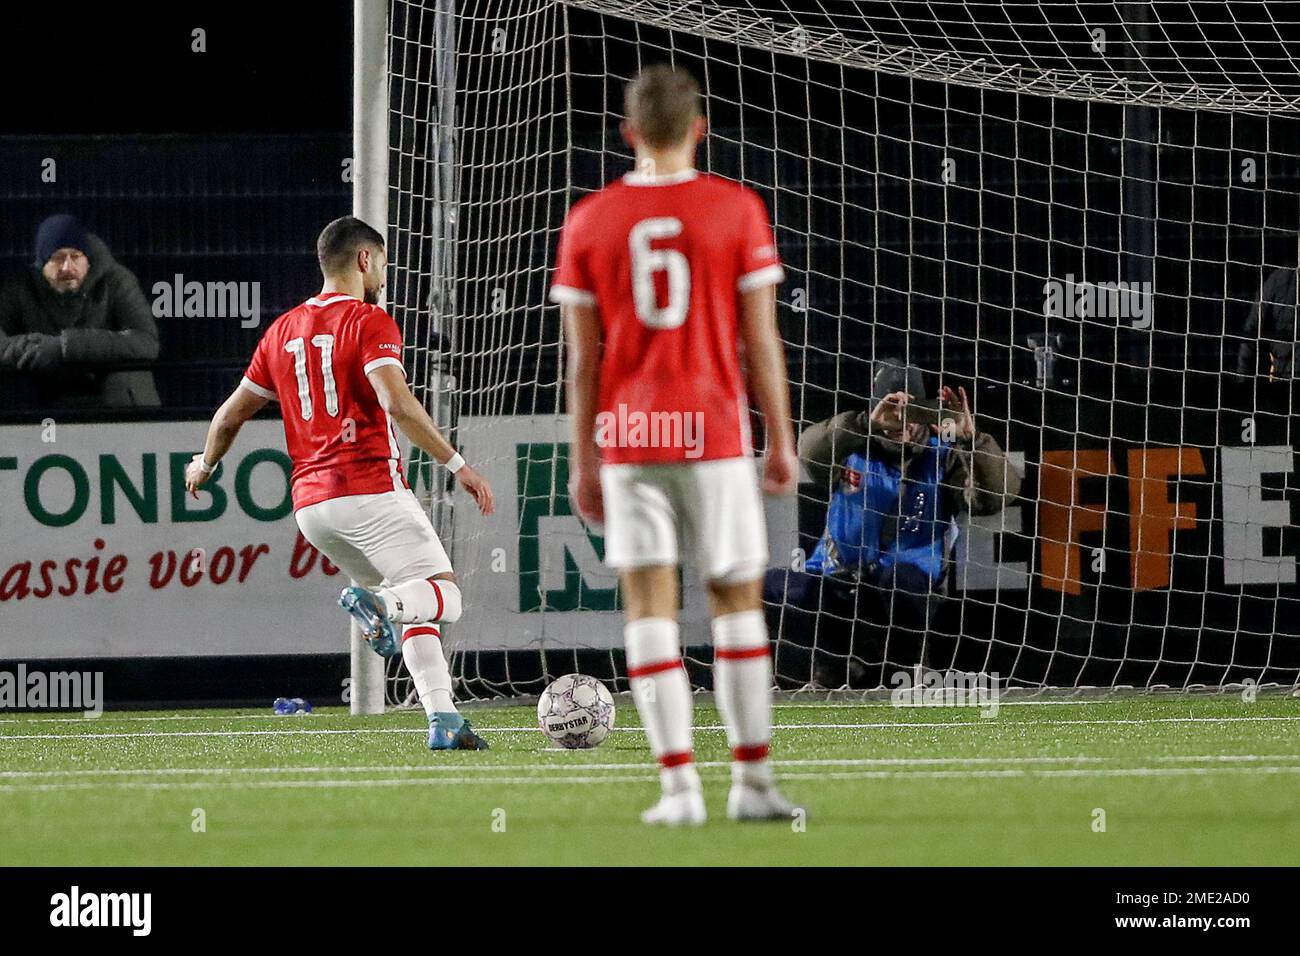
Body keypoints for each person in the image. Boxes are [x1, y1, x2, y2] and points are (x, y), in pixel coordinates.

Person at [554, 64, 803, 826]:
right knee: (735, 602)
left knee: (649, 611)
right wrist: (781, 440)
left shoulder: (590, 220)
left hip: (631, 437)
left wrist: (583, 458)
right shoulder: (735, 208)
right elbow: (760, 339)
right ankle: (753, 785)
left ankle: (678, 790)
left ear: (627, 133)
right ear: (700, 129)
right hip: (714, 432)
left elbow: (582, 359)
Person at [184, 216, 496, 750]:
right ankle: (381, 610)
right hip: (369, 489)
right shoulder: (369, 321)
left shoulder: (280, 331)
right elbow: (397, 403)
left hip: (313, 510)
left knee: (411, 596)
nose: (384, 274)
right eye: (384, 262)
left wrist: (205, 466)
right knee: (445, 595)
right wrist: (456, 465)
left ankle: (444, 720)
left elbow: (231, 417)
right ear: (364, 260)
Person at [764, 358, 1022, 688]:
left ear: (927, 413)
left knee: (898, 580)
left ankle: (914, 671)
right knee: (774, 587)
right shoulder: (851, 446)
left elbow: (993, 497)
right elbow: (810, 451)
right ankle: (824, 671)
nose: (902, 422)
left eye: (912, 411)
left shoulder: (942, 455)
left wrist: (973, 440)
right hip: (839, 576)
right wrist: (864, 425)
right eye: (892, 410)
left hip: (908, 582)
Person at [0, 214, 160, 406]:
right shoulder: (20, 287)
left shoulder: (116, 281)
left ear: (88, 260)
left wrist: (65, 347)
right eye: (57, 258)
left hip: (117, 407)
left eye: (75, 257)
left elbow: (146, 341)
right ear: (42, 265)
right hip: (48, 404)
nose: (68, 267)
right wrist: (32, 347)